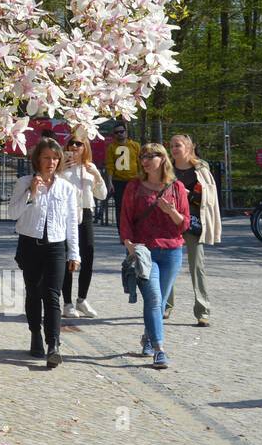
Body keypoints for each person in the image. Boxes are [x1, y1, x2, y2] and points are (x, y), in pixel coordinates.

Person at [119, 143, 189, 370]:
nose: (146, 160)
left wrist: (172, 212)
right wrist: (128, 243)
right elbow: (126, 218)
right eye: (143, 156)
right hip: (144, 252)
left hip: (172, 251)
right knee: (154, 299)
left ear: (163, 159)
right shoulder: (134, 186)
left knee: (158, 302)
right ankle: (159, 349)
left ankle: (148, 337)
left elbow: (184, 224)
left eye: (151, 156)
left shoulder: (176, 187)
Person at [13, 138, 80, 367]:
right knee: (33, 292)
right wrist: (32, 193)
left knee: (52, 295)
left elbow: (72, 222)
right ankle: (35, 334)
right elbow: (13, 213)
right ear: (37, 159)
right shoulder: (23, 182)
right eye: (46, 157)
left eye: (55, 157)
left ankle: (54, 344)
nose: (51, 162)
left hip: (55, 247)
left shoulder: (67, 187)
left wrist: (74, 253)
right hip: (30, 244)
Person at [166, 134, 221, 327]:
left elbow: (211, 194)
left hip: (193, 221)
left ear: (189, 147)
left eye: (178, 145)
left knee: (197, 265)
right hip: (169, 220)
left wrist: (191, 195)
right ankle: (166, 305)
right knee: (167, 264)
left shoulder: (201, 168)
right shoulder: (166, 168)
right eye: (171, 145)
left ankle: (202, 311)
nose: (173, 148)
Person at [59, 130, 107, 319]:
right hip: (66, 214)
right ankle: (67, 303)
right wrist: (60, 169)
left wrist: (96, 174)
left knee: (88, 253)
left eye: (79, 144)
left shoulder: (90, 167)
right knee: (68, 257)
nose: (74, 147)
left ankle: (82, 299)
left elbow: (102, 194)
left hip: (85, 213)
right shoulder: (63, 167)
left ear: (85, 146)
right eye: (71, 143)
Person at [105, 123, 140, 229]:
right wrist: (110, 182)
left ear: (126, 132)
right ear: (113, 135)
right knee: (120, 208)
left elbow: (140, 163)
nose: (119, 134)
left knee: (135, 207)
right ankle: (122, 233)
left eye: (121, 132)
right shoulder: (111, 148)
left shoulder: (135, 146)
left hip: (134, 181)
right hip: (118, 181)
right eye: (117, 132)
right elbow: (110, 165)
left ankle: (134, 231)